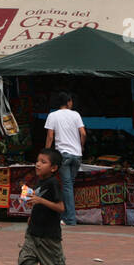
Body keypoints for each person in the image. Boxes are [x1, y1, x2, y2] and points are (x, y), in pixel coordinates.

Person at [19, 147, 76, 265]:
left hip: (49, 236)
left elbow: (60, 207)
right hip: (33, 233)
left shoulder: (53, 183)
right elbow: (40, 204)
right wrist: (33, 208)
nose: (38, 164)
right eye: (37, 161)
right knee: (25, 262)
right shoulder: (40, 182)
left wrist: (40, 200)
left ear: (53, 168)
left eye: (43, 162)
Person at [44, 92, 86, 226]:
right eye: (71, 101)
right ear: (68, 102)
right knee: (69, 186)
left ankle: (70, 219)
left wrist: (46, 154)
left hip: (63, 155)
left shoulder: (53, 115)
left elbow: (50, 136)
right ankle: (64, 216)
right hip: (77, 155)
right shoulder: (76, 115)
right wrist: (81, 146)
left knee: (67, 186)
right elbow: (83, 133)